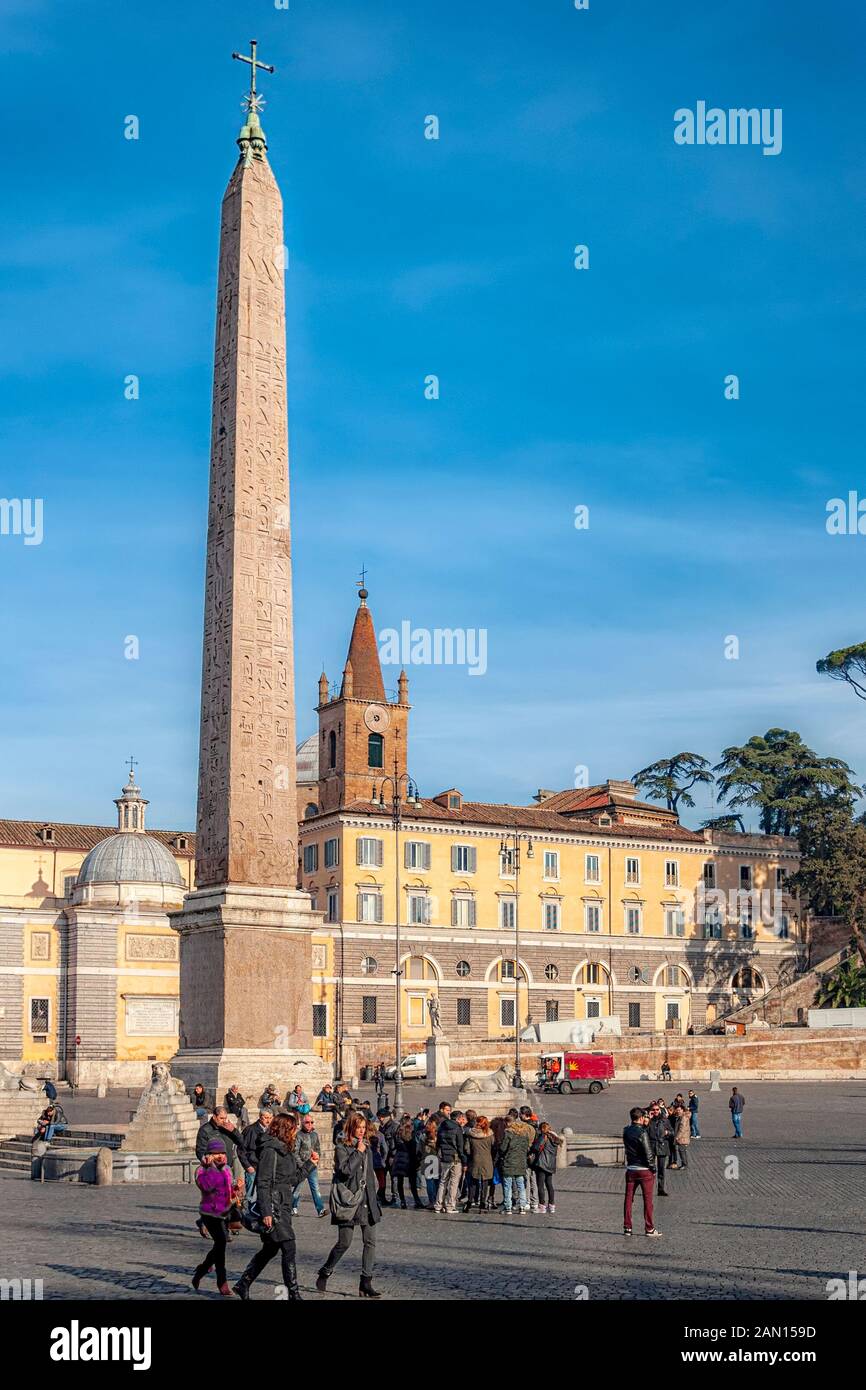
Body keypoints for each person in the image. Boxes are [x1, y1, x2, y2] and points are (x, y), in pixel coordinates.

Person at [232, 1111, 317, 1301]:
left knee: (270, 1249)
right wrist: (266, 1211)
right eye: (293, 1129)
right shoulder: (270, 1150)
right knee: (289, 1246)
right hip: (273, 1206)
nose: (296, 1133)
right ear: (285, 1130)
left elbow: (292, 1179)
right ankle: (293, 1294)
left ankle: (243, 1283)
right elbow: (263, 1182)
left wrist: (310, 1164)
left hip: (284, 1205)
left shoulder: (285, 1150)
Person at [316, 1110, 382, 1299]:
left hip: (367, 1201)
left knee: (370, 1242)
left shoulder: (367, 1147)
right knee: (344, 1243)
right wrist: (358, 1153)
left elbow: (369, 1176)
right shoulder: (342, 1147)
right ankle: (326, 1270)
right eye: (358, 1127)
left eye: (363, 1128)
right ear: (351, 1127)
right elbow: (344, 1171)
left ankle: (366, 1282)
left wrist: (375, 1199)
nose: (361, 1131)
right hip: (349, 1202)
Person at [192, 1139, 239, 1296]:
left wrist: (236, 1188)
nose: (221, 1156)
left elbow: (229, 1188)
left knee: (219, 1246)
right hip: (209, 1214)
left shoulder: (227, 1169)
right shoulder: (201, 1170)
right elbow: (206, 1186)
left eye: (223, 1153)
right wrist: (210, 1167)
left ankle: (202, 1269)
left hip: (224, 1213)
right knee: (221, 1244)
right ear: (209, 1155)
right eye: (217, 1153)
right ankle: (222, 1282)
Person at [622, 1107, 662, 1238]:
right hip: (644, 1170)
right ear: (640, 1118)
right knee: (648, 1200)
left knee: (628, 1199)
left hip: (631, 1169)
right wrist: (653, 1168)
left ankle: (627, 1227)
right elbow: (648, 1153)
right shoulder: (642, 1133)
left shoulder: (626, 1131)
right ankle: (649, 1228)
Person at [291, 1113, 326, 1217]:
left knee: (315, 1188)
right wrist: (301, 1165)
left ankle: (320, 1210)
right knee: (297, 1189)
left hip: (312, 1166)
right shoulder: (299, 1135)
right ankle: (293, 1207)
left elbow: (318, 1148)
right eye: (307, 1122)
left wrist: (317, 1158)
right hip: (302, 1166)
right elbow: (295, 1152)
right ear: (302, 1123)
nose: (310, 1124)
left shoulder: (314, 1134)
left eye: (311, 1122)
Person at [433, 1104, 466, 1214]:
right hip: (455, 1158)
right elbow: (460, 1147)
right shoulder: (457, 1129)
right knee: (454, 1182)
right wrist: (464, 1160)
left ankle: (438, 1205)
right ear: (457, 1118)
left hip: (444, 1157)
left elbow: (438, 1143)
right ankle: (450, 1206)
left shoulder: (442, 1127)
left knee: (443, 1182)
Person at [498, 1113, 531, 1214]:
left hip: (509, 1163)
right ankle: (522, 1206)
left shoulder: (508, 1134)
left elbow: (503, 1149)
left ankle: (508, 1207)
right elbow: (526, 1149)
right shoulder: (524, 1135)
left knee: (508, 1185)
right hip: (521, 1163)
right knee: (521, 1185)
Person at [239, 1108, 273, 1197]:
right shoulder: (250, 1130)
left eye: (270, 1118)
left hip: (266, 1169)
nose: (268, 1120)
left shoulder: (272, 1131)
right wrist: (248, 1166)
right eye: (266, 1118)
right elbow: (241, 1150)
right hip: (253, 1167)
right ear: (260, 1117)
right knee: (251, 1196)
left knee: (264, 1197)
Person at [464, 1115, 495, 1212]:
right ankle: (482, 1203)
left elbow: (467, 1149)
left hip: (475, 1160)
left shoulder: (471, 1134)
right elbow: (494, 1147)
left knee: (473, 1182)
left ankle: (469, 1202)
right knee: (485, 1183)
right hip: (487, 1160)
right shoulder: (490, 1135)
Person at [529, 1121, 561, 1214]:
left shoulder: (544, 1136)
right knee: (549, 1185)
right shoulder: (555, 1138)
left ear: (542, 1129)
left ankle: (542, 1206)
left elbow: (535, 1148)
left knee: (540, 1186)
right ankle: (552, 1206)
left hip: (542, 1164)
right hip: (550, 1164)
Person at [392, 1118, 424, 1208]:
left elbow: (394, 1145)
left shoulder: (397, 1133)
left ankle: (402, 1201)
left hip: (399, 1158)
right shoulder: (411, 1134)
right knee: (413, 1182)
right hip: (410, 1159)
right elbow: (414, 1149)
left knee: (400, 1181)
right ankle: (417, 1200)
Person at [646, 1102, 673, 1198]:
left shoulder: (665, 1120)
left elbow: (672, 1132)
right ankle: (648, 1188)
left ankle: (660, 1189)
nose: (655, 1111)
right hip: (652, 1146)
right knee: (650, 1169)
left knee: (661, 1169)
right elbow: (644, 1132)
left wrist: (667, 1132)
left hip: (662, 1146)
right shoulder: (648, 1120)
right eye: (653, 1109)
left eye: (657, 1109)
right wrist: (648, 1119)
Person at [420, 1118, 440, 1206]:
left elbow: (419, 1149)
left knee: (429, 1182)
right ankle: (438, 1200)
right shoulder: (438, 1136)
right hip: (437, 1158)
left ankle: (431, 1201)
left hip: (426, 1159)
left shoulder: (423, 1136)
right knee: (437, 1181)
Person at [670, 1103, 690, 1169]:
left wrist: (677, 1136)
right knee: (681, 1151)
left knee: (682, 1151)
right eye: (677, 1110)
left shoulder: (683, 1117)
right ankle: (684, 1164)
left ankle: (684, 1164)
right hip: (682, 1137)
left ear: (682, 1110)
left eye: (679, 1110)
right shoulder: (680, 1117)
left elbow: (682, 1128)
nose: (678, 1111)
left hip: (682, 1138)